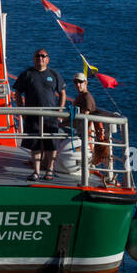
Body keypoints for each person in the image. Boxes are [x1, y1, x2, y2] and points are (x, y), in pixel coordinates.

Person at [12, 49, 65, 180]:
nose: (40, 58)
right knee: (34, 144)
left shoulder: (54, 74)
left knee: (51, 144)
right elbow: (18, 92)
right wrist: (21, 109)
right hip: (32, 115)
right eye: (37, 56)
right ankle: (36, 171)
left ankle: (49, 170)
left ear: (48, 59)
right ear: (33, 58)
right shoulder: (27, 74)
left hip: (51, 116)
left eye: (43, 56)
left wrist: (60, 111)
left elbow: (62, 93)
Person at [72, 73, 118, 186]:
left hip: (81, 133)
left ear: (86, 83)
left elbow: (85, 118)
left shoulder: (86, 98)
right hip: (78, 130)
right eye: (76, 82)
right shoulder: (80, 96)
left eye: (80, 82)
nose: (78, 85)